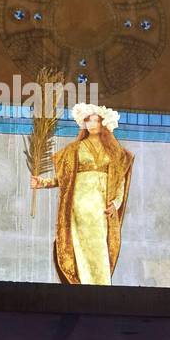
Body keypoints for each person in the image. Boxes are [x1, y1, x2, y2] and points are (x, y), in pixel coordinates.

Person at [30, 102, 134, 285]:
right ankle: (83, 288)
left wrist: (116, 202)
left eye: (96, 120)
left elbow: (121, 179)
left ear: (103, 123)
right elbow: (64, 178)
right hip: (79, 205)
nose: (92, 124)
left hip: (101, 206)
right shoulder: (75, 149)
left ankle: (102, 289)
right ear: (84, 123)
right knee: (81, 247)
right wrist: (43, 182)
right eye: (88, 120)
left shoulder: (114, 151)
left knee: (100, 247)